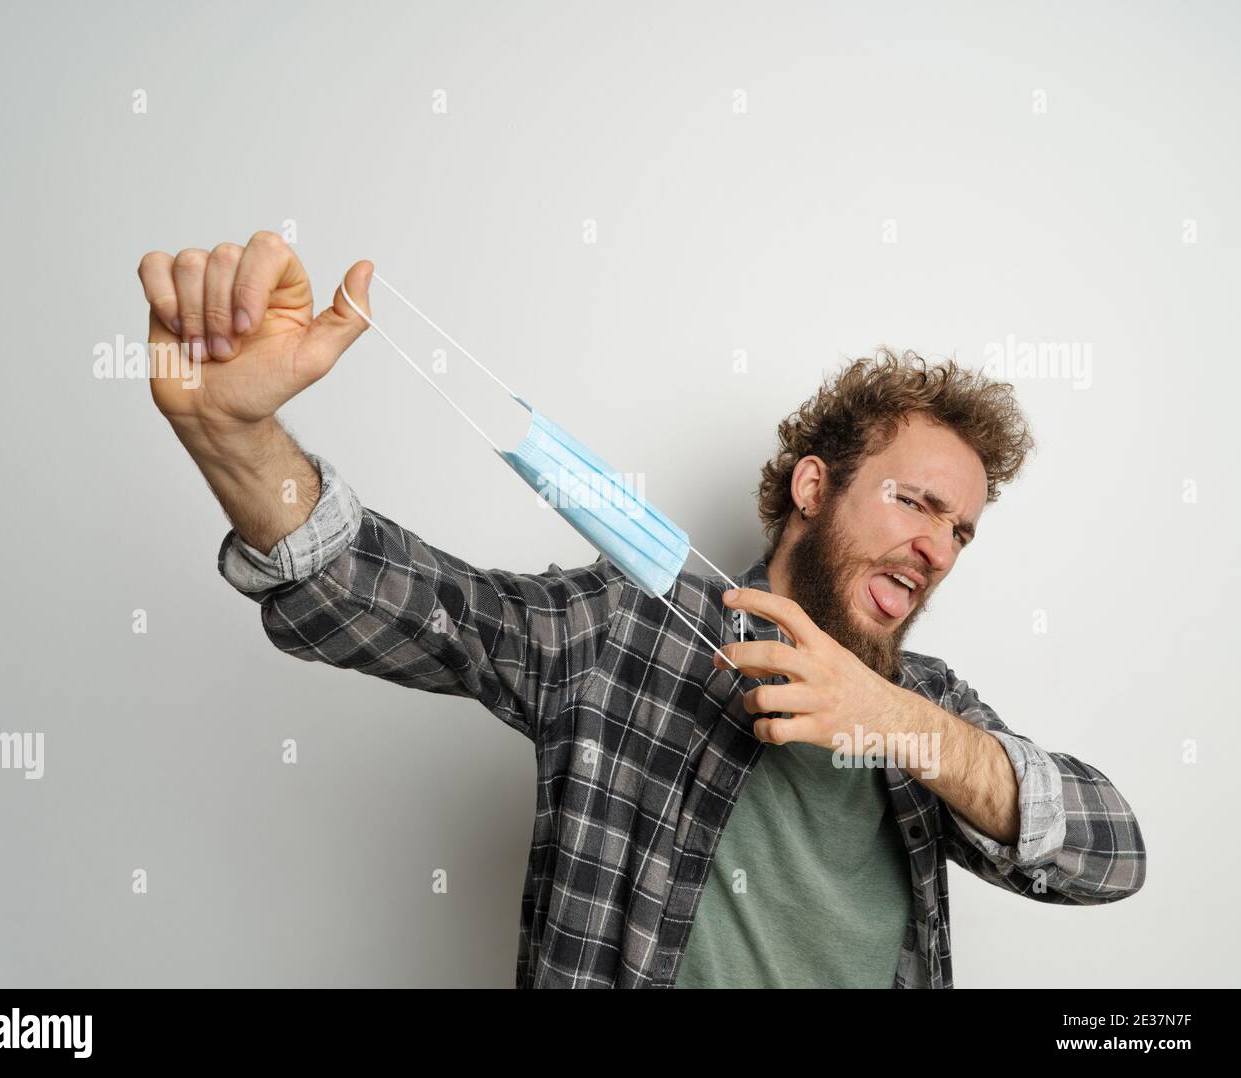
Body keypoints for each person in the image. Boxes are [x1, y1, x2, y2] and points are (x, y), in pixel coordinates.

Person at [138, 231, 1146, 988]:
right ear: (811, 488)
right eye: (913, 500)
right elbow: (378, 592)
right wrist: (234, 435)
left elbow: (1111, 856)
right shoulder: (623, 633)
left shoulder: (929, 711)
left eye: (961, 530)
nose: (937, 545)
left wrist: (888, 719)